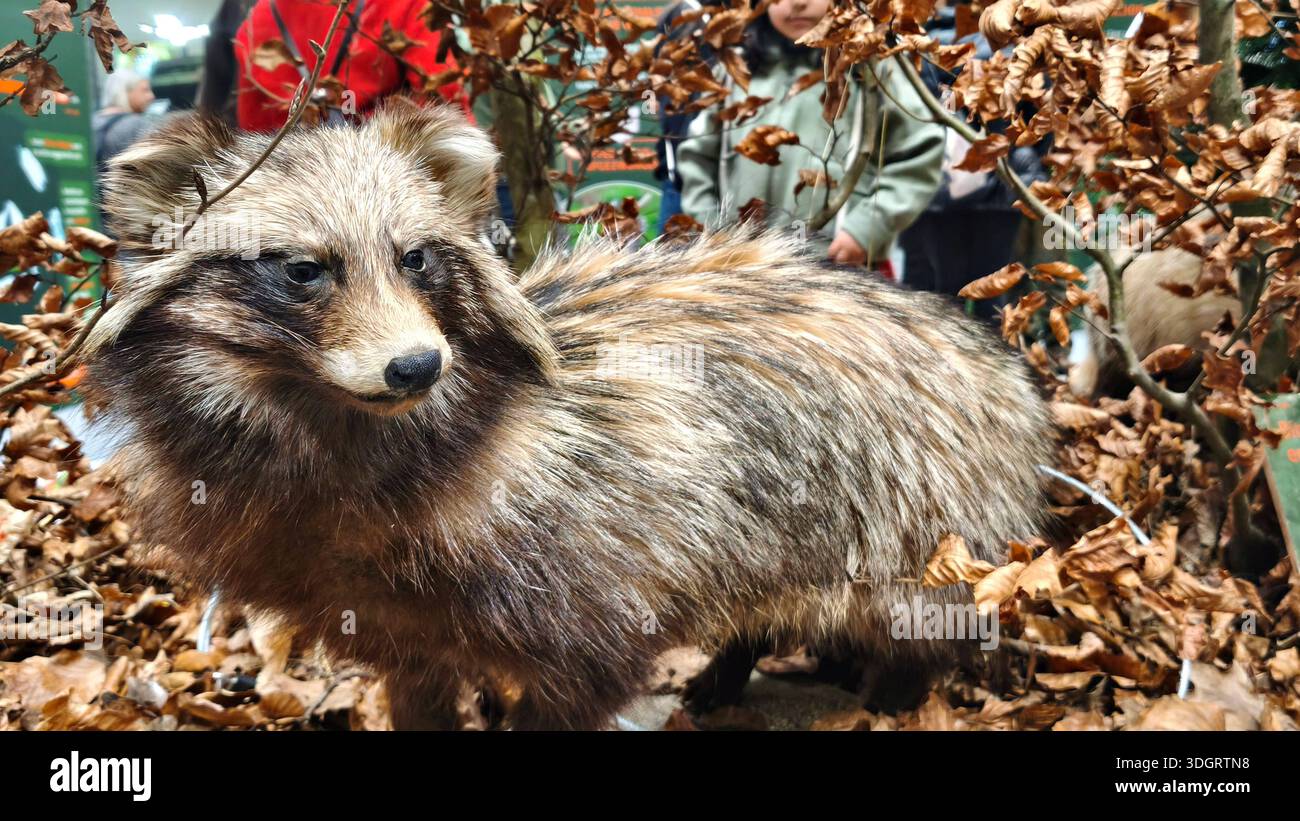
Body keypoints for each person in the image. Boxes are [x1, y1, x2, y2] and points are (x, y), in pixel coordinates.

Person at [677, 0, 943, 270]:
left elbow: (919, 152)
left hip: (838, 267)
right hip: (742, 267)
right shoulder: (736, 69)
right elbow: (698, 157)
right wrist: (712, 228)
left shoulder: (870, 67)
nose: (798, 3)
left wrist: (865, 229)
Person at [898, 2, 1049, 317]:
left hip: (937, 183)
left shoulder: (914, 32)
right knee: (993, 296)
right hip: (1003, 178)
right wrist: (1029, 163)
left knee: (936, 297)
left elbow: (906, 114)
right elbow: (1041, 117)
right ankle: (993, 362)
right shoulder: (1019, 30)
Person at [232, 0, 467, 132]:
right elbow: (445, 100)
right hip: (396, 176)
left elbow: (254, 130)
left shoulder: (255, 24)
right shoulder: (403, 3)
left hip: (299, 188)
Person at [197, 0, 257, 127]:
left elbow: (215, 80)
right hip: (245, 123)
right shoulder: (233, 7)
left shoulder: (234, 7)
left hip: (246, 126)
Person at [93, 71, 160, 171]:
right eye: (145, 90)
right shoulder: (137, 124)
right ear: (126, 91)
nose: (151, 96)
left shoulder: (92, 121)